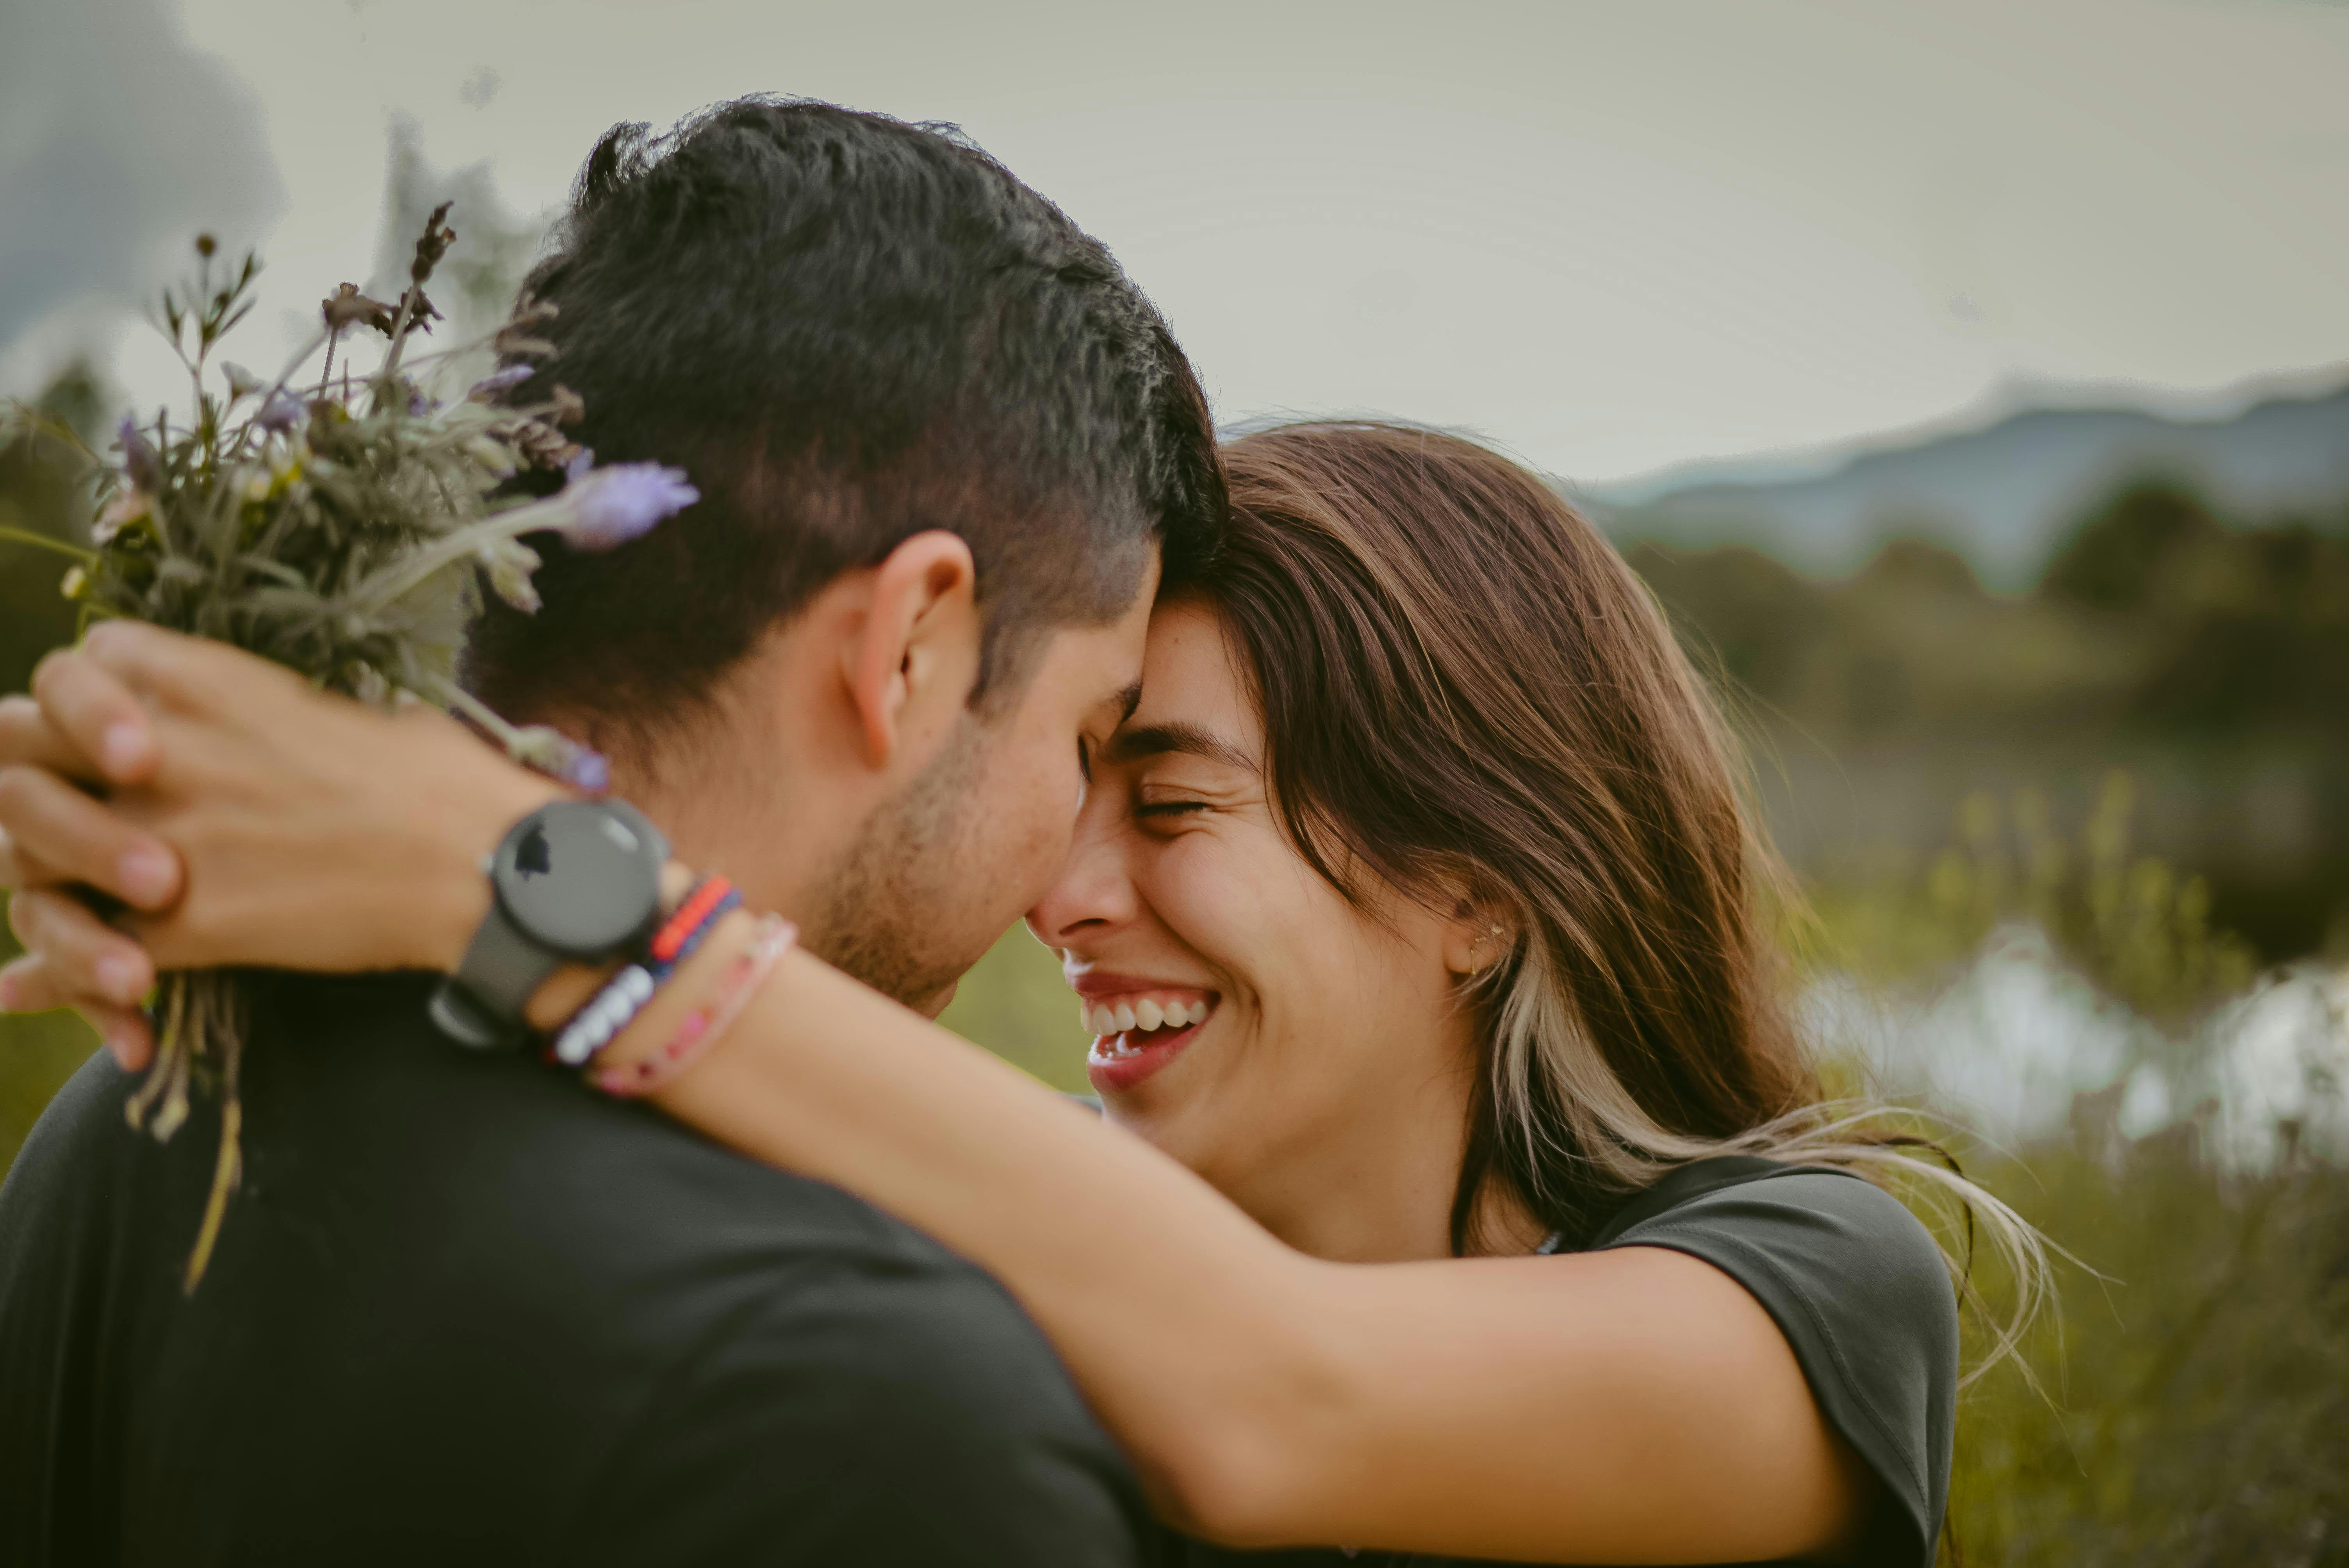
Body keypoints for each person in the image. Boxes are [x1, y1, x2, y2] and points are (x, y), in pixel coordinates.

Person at [1, 424, 2050, 1566]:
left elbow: (1288, 1399)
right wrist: (189, 837)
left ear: (1477, 889)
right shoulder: (1009, 1233)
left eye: (1171, 802)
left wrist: (504, 874)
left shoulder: (1810, 1279)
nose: (1062, 898)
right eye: (1074, 784)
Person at [0, 96, 1227, 1566]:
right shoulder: (879, 1409)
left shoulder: (138, 1116)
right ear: (907, 646)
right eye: (1089, 737)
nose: (1066, 874)